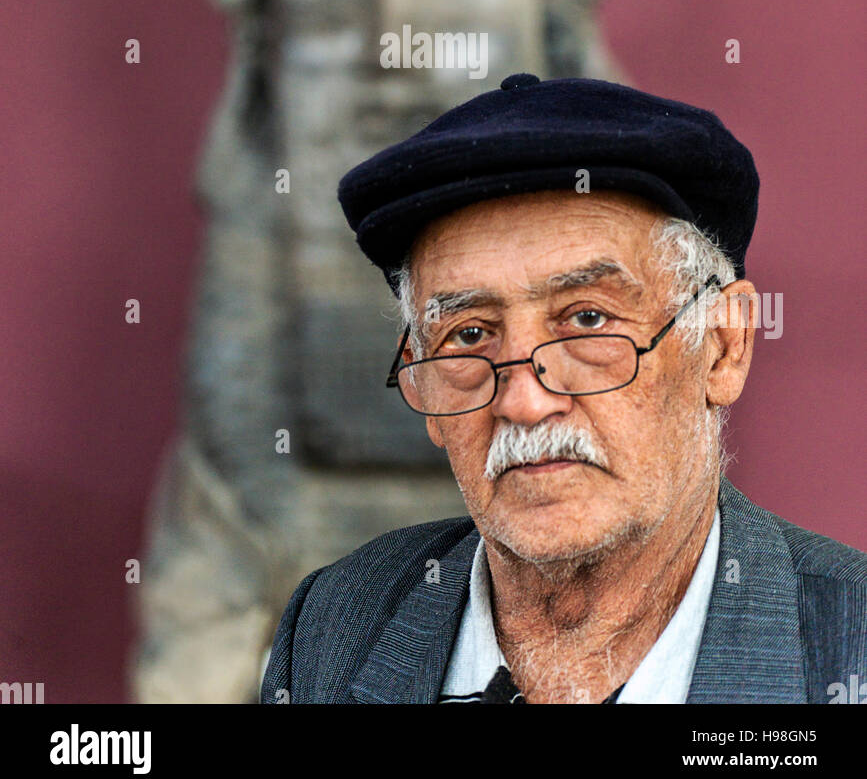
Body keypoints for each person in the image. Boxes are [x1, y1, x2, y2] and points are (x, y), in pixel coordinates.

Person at [261, 73, 867, 703]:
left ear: (722, 346)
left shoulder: (848, 648)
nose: (523, 401)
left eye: (588, 319)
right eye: (469, 335)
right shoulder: (334, 630)